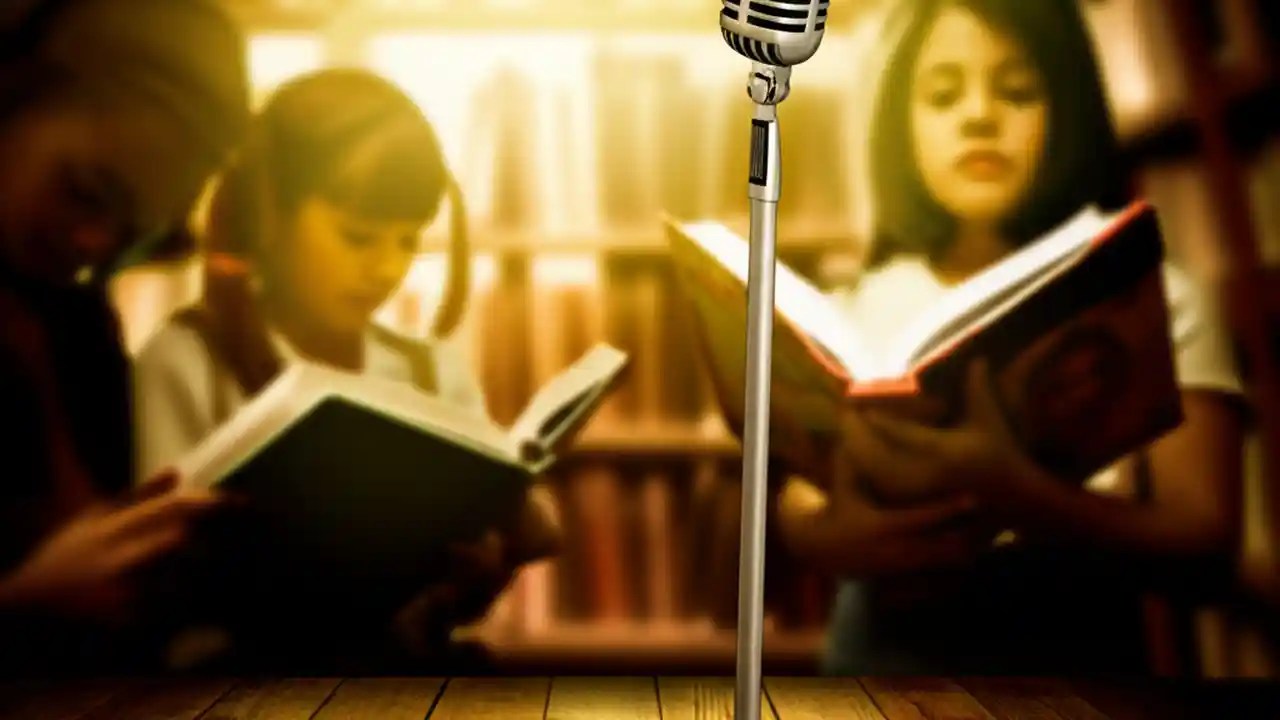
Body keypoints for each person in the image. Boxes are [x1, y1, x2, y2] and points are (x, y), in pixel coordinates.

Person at [775, 0, 1247, 675]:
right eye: (942, 96)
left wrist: (1016, 493)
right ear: (899, 129)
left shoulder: (1156, 299)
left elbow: (1206, 549)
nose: (978, 116)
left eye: (1018, 90)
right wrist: (831, 538)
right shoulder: (857, 303)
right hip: (879, 661)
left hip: (1077, 668)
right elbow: (802, 498)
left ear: (1070, 110)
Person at [132, 68, 562, 672]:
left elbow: (463, 588)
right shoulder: (186, 362)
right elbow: (153, 586)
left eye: (407, 242)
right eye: (358, 237)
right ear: (270, 215)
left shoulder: (432, 371)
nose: (386, 268)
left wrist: (478, 577)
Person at [0, 0, 249, 672]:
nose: (93, 244)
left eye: (133, 234)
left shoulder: (77, 315)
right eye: (85, 191)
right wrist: (21, 603)